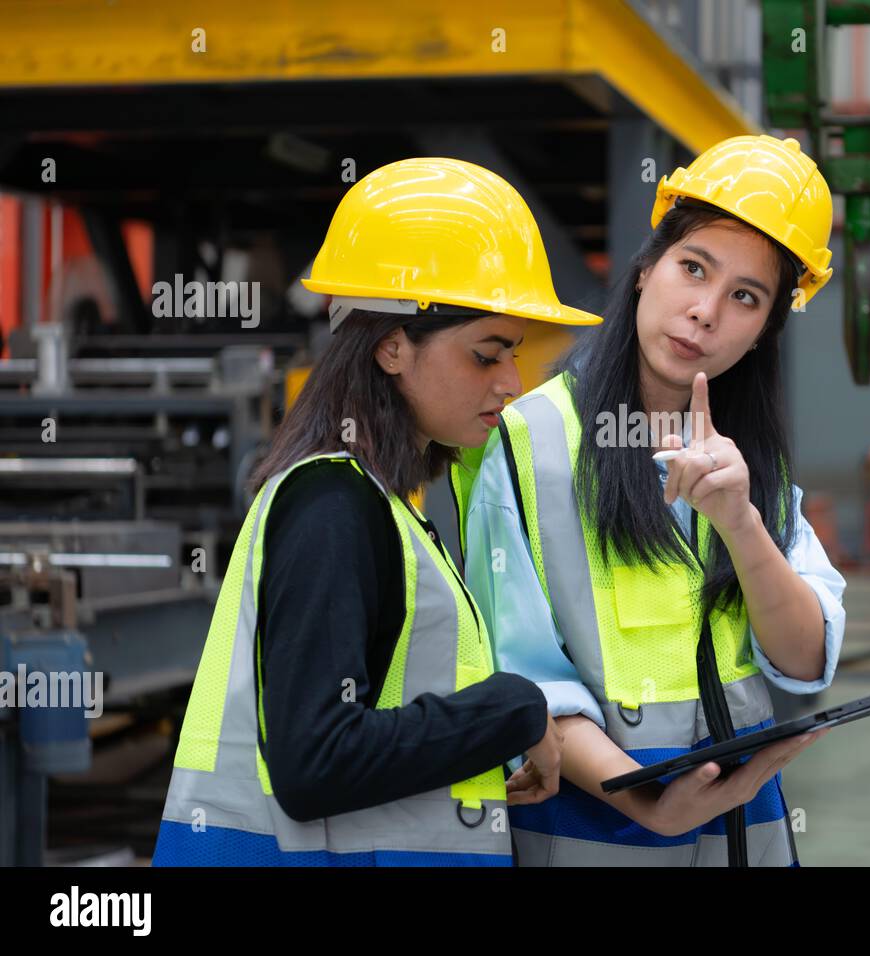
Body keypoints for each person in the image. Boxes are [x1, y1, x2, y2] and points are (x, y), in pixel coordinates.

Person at [152, 158, 601, 866]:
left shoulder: (382, 509)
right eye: (487, 355)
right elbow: (316, 762)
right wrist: (514, 707)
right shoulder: (332, 505)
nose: (511, 383)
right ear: (392, 346)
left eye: (513, 355)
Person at [459, 135, 846, 866]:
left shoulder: (752, 457)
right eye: (693, 268)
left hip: (743, 825)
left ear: (765, 331)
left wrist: (742, 523)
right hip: (598, 825)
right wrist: (649, 805)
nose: (705, 312)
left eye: (745, 297)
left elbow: (803, 659)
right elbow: (521, 673)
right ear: (644, 271)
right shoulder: (532, 439)